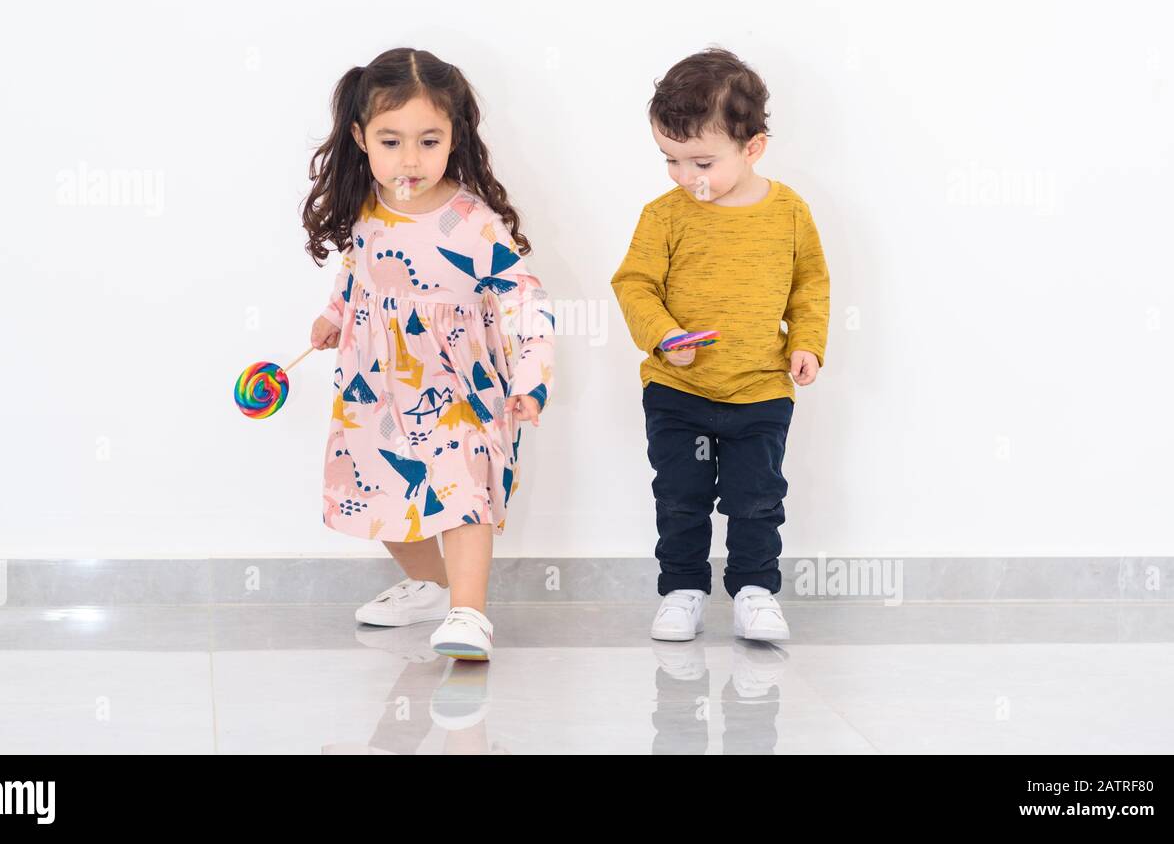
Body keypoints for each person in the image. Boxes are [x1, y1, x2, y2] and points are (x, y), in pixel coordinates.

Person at [301, 47, 555, 661]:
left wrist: (532, 377)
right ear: (361, 138)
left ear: (454, 138)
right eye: (391, 141)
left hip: (457, 382)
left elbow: (527, 299)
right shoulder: (366, 208)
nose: (409, 160)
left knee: (461, 488)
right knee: (380, 492)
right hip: (377, 383)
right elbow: (357, 270)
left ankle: (470, 615)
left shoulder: (471, 221)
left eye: (428, 141)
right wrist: (336, 315)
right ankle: (433, 588)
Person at [610, 47, 830, 643]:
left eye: (700, 161)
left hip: (760, 389)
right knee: (680, 498)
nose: (685, 176)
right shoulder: (665, 216)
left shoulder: (788, 213)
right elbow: (634, 285)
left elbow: (809, 282)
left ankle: (755, 592)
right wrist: (663, 338)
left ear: (752, 146)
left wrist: (807, 342)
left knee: (756, 500)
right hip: (677, 389)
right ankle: (682, 591)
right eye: (670, 160)